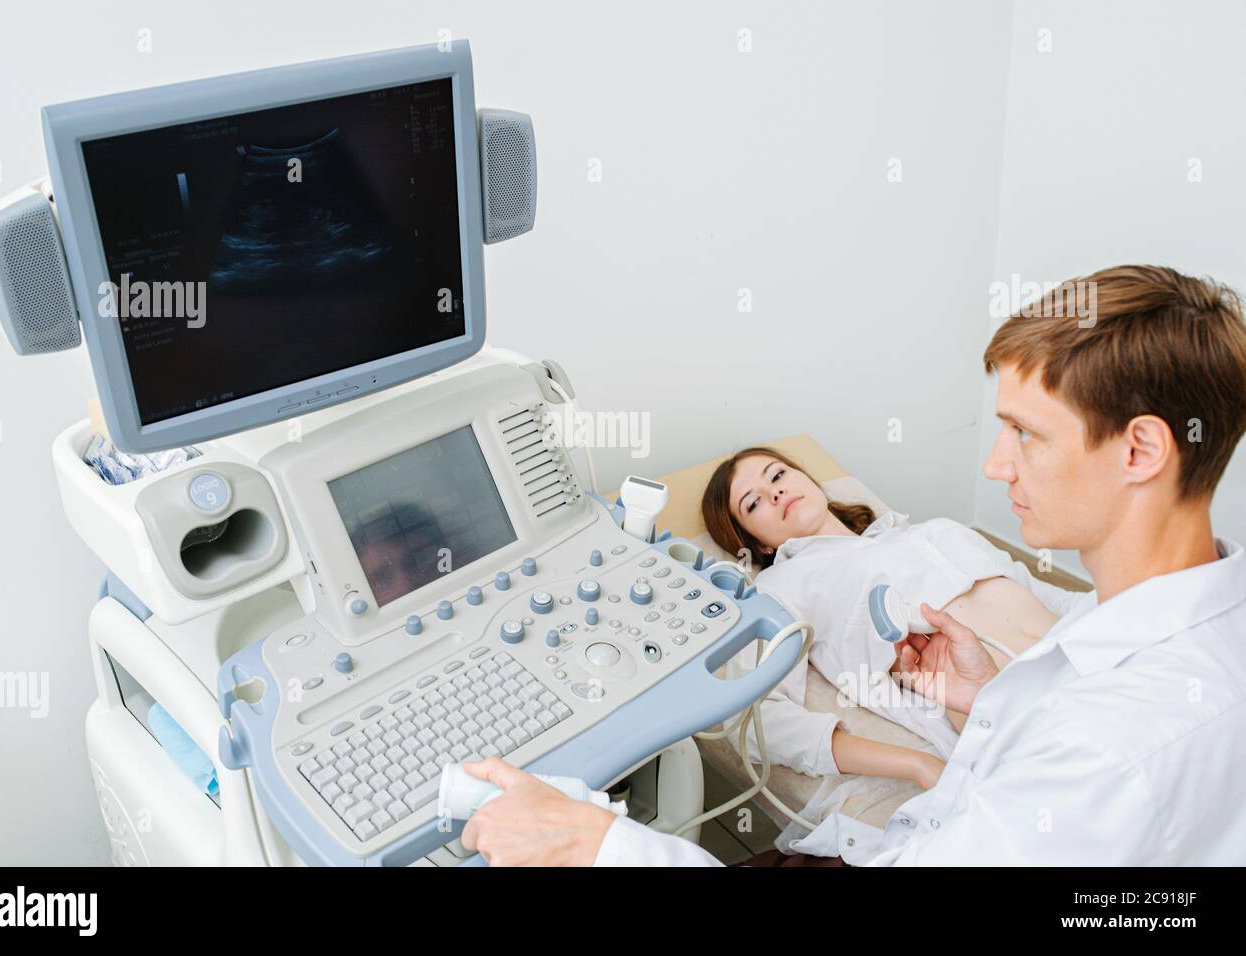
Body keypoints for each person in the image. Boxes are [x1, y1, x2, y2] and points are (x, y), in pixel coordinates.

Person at [460, 265, 1246, 866]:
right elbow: (766, 717)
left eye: (1026, 434)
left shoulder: (1104, 752)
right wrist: (987, 703)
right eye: (753, 501)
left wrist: (597, 843)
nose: (996, 465)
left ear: (1140, 450)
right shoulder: (1162, 628)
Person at [700, 445, 1081, 787]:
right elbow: (754, 721)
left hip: (1085, 651)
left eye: (778, 475)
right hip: (1019, 713)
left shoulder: (920, 530)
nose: (775, 493)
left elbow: (1045, 594)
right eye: (754, 503)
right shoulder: (783, 585)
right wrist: (917, 764)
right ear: (757, 544)